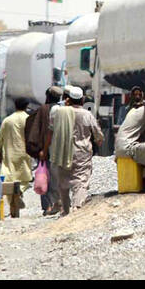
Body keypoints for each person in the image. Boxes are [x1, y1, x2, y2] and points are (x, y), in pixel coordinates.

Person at [48, 85, 104, 215]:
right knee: (80, 181)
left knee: (63, 182)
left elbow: (51, 128)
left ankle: (65, 211)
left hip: (62, 152)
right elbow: (98, 134)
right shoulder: (86, 114)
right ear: (82, 100)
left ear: (69, 99)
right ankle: (77, 209)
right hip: (82, 153)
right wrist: (99, 140)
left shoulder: (60, 113)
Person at [24, 85, 63, 215]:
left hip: (47, 150)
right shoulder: (63, 110)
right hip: (62, 150)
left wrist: (40, 149)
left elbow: (37, 130)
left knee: (45, 177)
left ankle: (49, 206)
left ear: (47, 96)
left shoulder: (43, 110)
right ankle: (61, 203)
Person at [0, 96, 34, 218]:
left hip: (10, 155)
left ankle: (13, 202)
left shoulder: (7, 120)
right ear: (26, 106)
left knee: (9, 180)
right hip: (25, 154)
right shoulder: (29, 119)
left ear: (15, 106)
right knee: (24, 179)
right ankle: (19, 192)